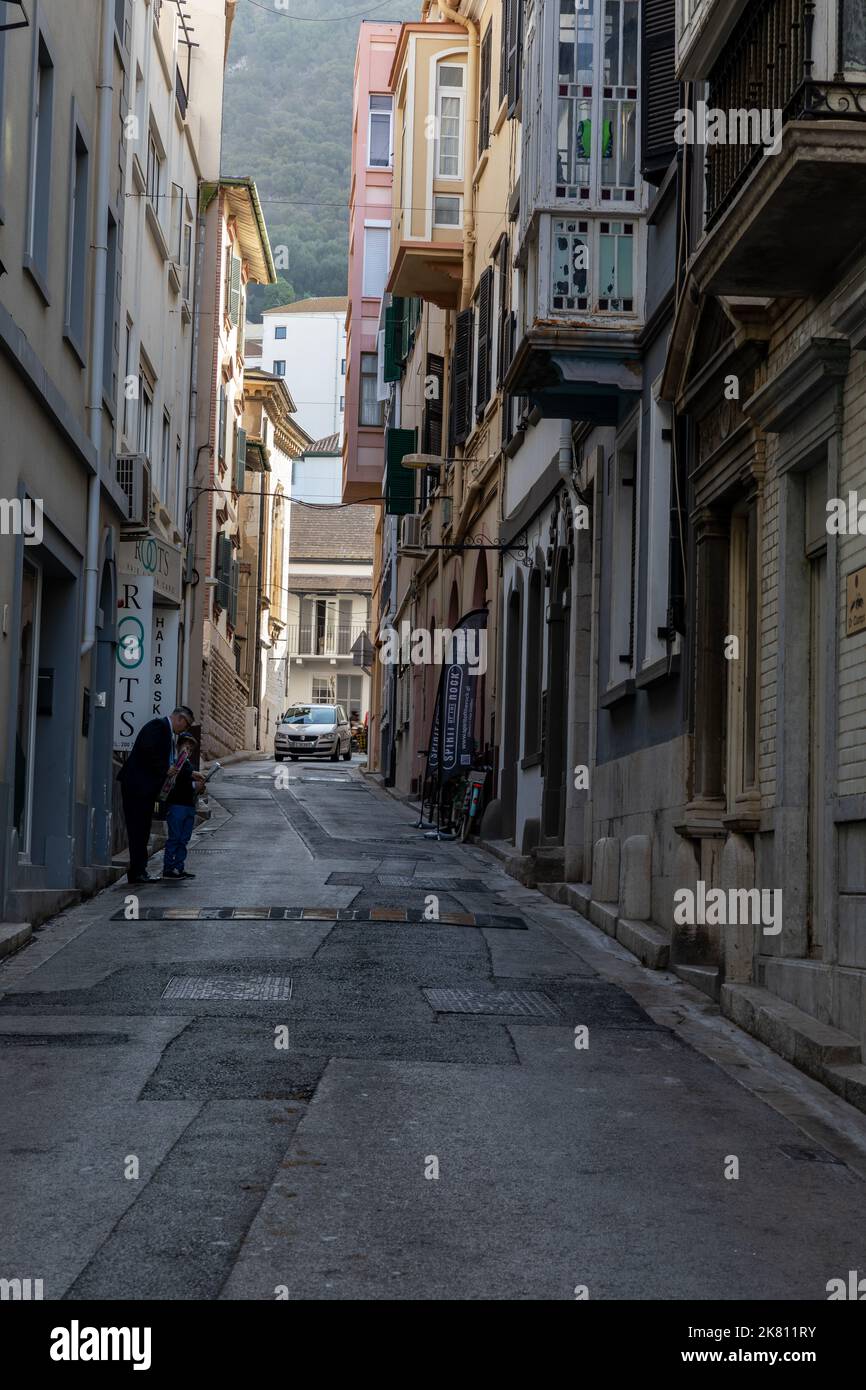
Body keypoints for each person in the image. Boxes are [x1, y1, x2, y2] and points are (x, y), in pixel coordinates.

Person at [118, 705, 194, 883]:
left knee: (142, 829)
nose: (185, 729)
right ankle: (138, 872)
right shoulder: (158, 727)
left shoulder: (164, 730)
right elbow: (148, 750)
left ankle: (139, 870)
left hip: (142, 787)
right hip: (138, 786)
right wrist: (165, 769)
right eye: (187, 725)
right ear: (180, 719)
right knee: (139, 829)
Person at [161, 734, 205, 879]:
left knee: (184, 839)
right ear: (178, 746)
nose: (188, 751)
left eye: (191, 750)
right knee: (175, 838)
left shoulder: (187, 764)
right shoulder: (175, 762)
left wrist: (200, 787)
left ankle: (179, 867)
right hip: (177, 805)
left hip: (188, 805)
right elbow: (178, 782)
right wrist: (194, 784)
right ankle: (168, 869)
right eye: (186, 747)